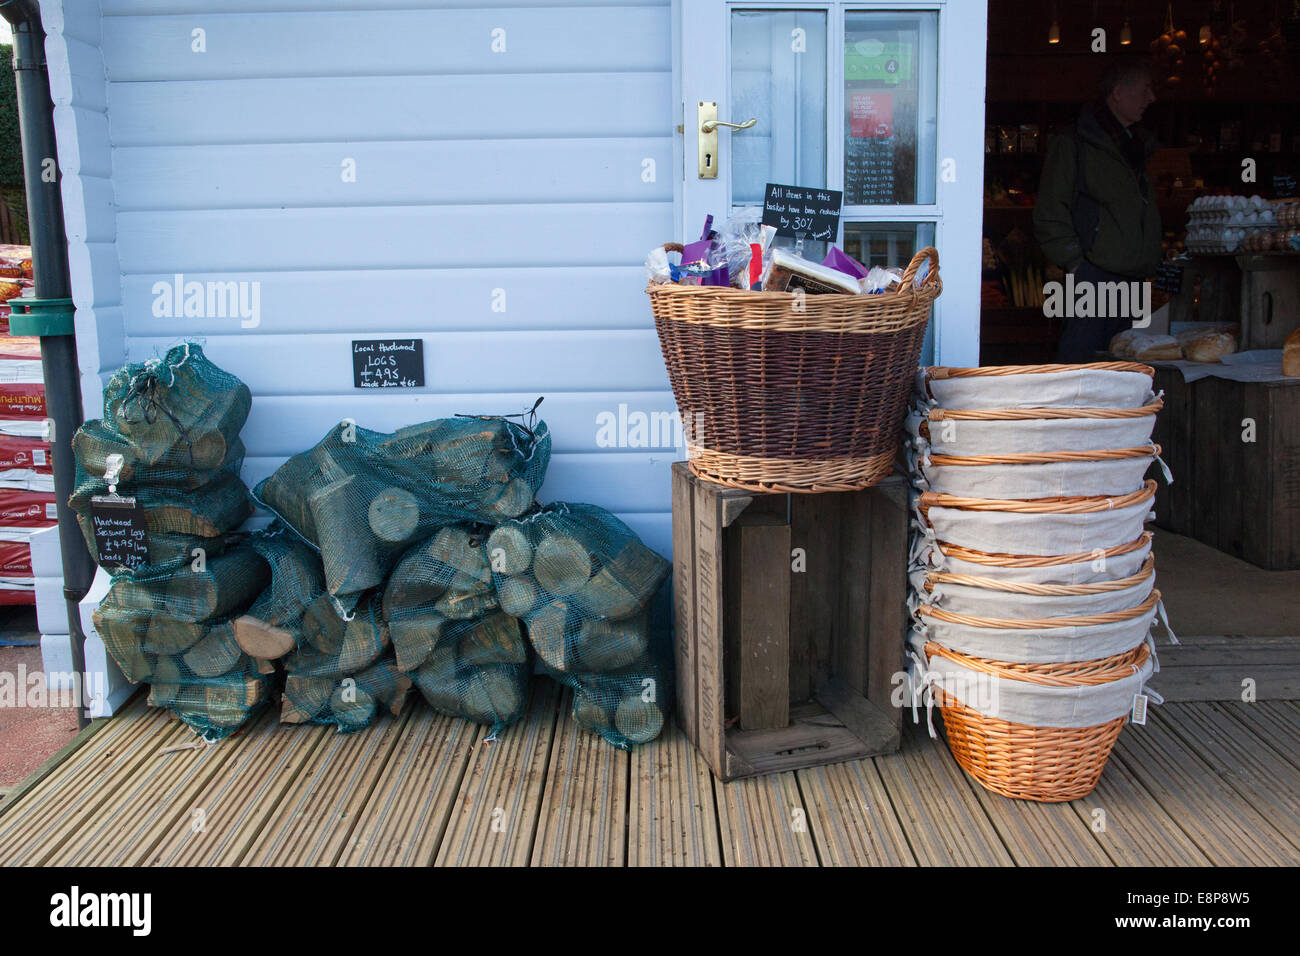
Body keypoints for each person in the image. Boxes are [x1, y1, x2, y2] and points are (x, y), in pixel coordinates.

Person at [1034, 59, 1162, 362]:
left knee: (1125, 372)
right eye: (1145, 89)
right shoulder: (1074, 145)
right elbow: (1050, 211)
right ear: (1118, 93)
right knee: (1081, 369)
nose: (1152, 98)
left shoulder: (1136, 146)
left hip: (1132, 279)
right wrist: (1077, 264)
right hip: (1093, 276)